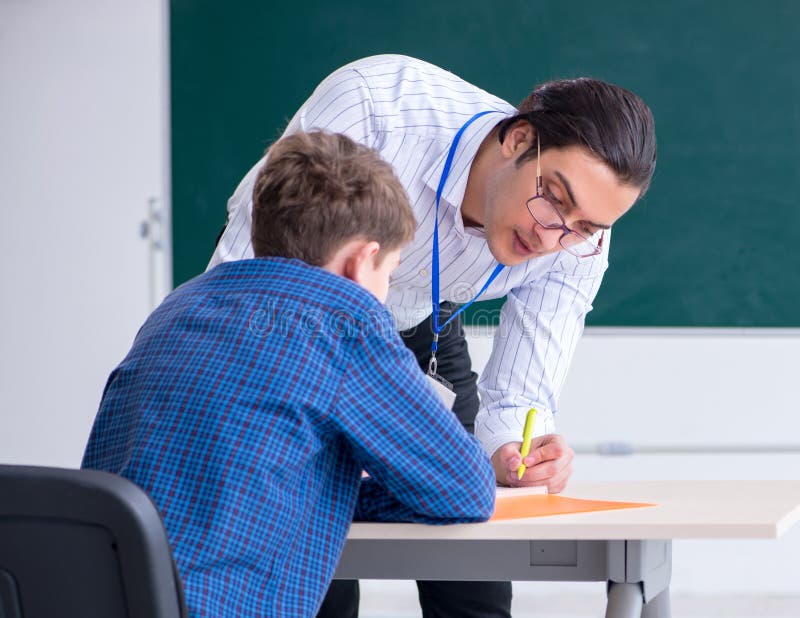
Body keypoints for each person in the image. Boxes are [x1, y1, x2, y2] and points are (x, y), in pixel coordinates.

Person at [211, 54, 657, 618]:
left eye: (587, 227)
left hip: (424, 321)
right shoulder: (378, 110)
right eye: (554, 200)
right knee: (320, 543)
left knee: (474, 574)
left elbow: (518, 401)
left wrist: (516, 453)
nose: (553, 238)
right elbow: (241, 285)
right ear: (519, 140)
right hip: (298, 322)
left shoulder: (578, 241)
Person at [81, 131, 496, 617]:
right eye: (392, 272)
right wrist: (344, 491)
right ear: (363, 262)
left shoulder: (179, 305)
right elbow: (465, 487)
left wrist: (322, 486)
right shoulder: (345, 321)